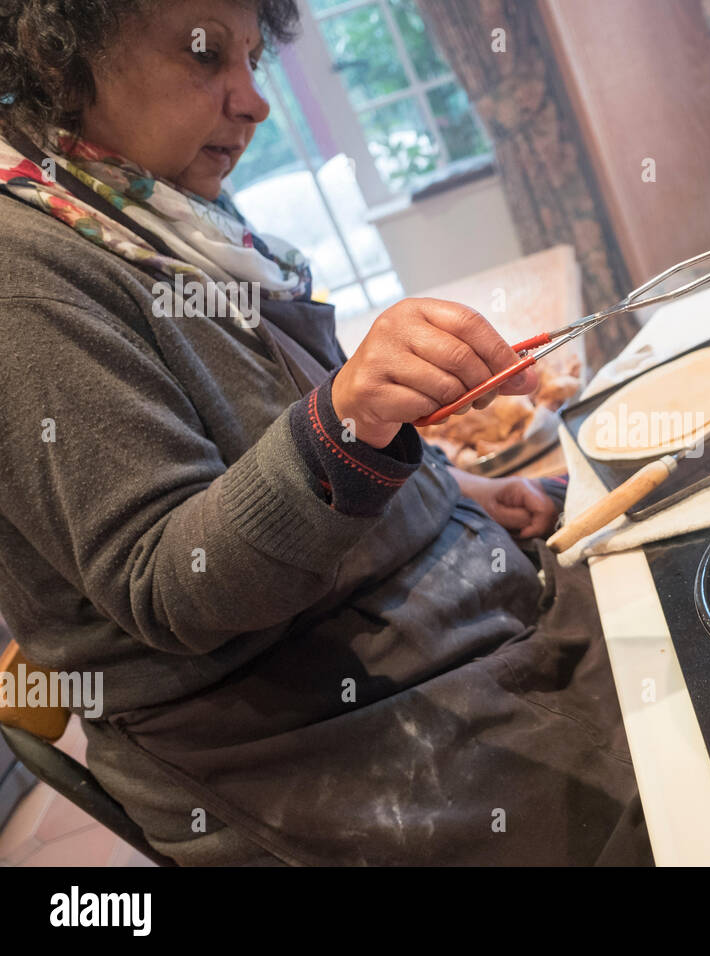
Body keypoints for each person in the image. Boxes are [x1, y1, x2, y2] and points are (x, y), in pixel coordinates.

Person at [0, 0, 651, 865]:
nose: (254, 100)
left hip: (426, 609)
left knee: (685, 577)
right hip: (300, 729)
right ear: (60, 54)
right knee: (671, 790)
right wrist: (348, 416)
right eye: (205, 57)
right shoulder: (28, 280)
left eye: (252, 56)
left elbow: (271, 444)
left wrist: (451, 491)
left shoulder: (148, 209)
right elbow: (173, 584)